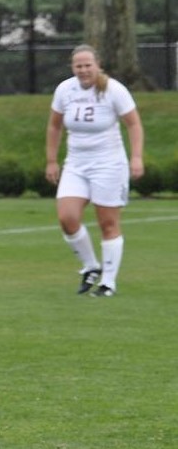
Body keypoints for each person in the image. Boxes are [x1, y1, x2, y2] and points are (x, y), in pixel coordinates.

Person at [45, 44, 144, 297]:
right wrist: (52, 160)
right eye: (78, 65)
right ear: (72, 67)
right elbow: (55, 126)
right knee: (67, 218)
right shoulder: (65, 90)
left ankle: (108, 282)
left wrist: (136, 157)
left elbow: (133, 124)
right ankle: (90, 266)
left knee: (108, 223)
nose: (83, 70)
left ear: (98, 65)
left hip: (108, 163)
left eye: (88, 65)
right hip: (76, 163)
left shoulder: (113, 89)